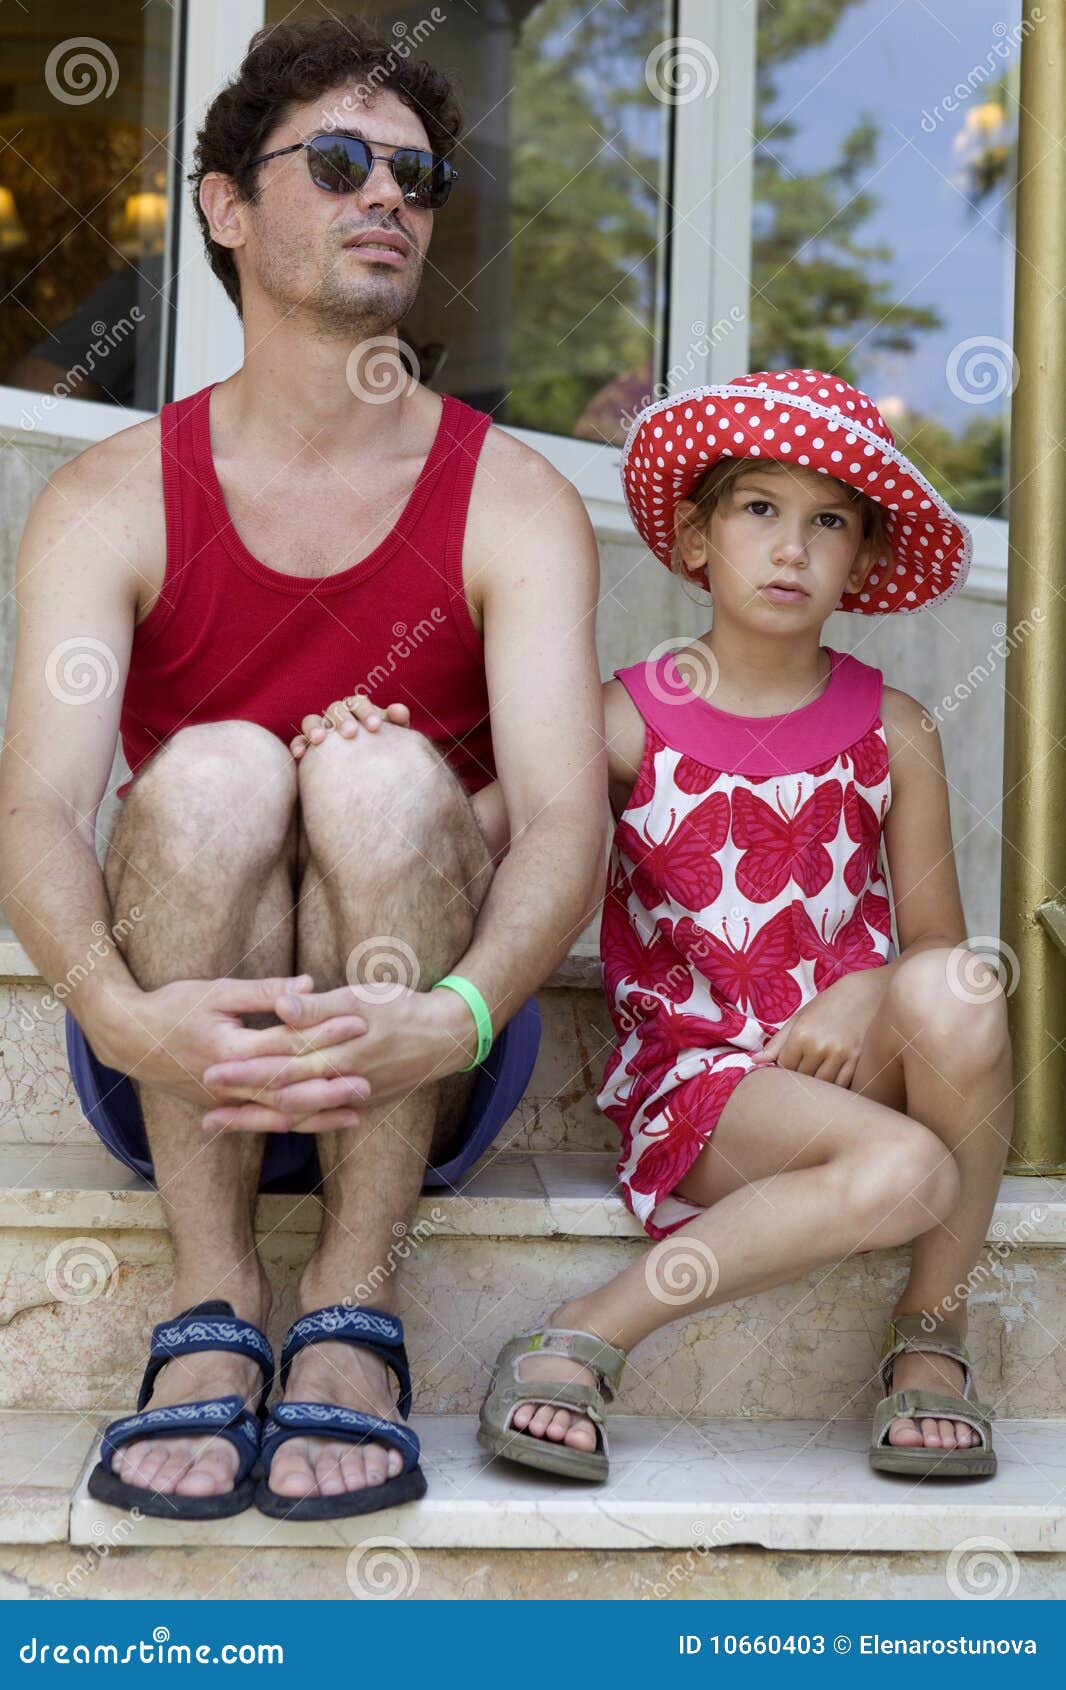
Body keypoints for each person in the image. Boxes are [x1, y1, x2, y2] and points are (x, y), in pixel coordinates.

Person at [0, 16, 605, 1521]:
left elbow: (560, 820)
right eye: (337, 162)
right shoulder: (109, 496)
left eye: (415, 173)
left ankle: (351, 1298)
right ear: (223, 205)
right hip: (171, 1051)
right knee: (213, 770)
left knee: (377, 777)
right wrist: (114, 1009)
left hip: (425, 1050)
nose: (386, 192)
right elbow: (37, 805)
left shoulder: (514, 499)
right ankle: (211, 1294)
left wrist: (457, 1013)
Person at [469, 367, 1012, 1481]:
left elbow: (937, 943)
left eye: (829, 522)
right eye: (759, 508)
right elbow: (472, 837)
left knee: (959, 988)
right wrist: (369, 754)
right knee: (909, 1170)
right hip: (702, 1086)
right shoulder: (626, 717)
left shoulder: (895, 729)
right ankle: (586, 1328)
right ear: (696, 536)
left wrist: (867, 991)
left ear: (861, 559)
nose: (791, 548)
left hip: (851, 1062)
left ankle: (931, 1329)